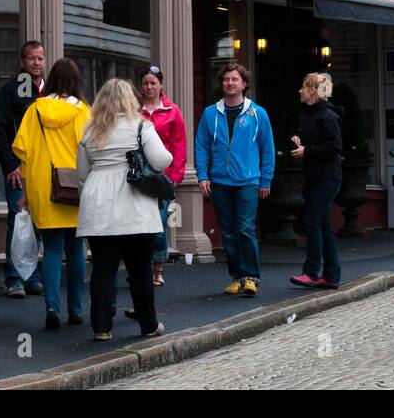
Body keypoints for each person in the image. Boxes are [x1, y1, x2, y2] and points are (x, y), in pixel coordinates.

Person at [77, 79, 172, 341]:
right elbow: (163, 160)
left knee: (103, 269)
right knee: (140, 270)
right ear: (130, 99)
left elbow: (83, 175)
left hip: (98, 206)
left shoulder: (90, 132)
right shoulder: (141, 126)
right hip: (135, 208)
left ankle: (101, 328)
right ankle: (148, 325)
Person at [11, 58, 90, 330]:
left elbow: (22, 150)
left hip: (45, 187)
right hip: (77, 186)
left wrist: (24, 193)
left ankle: (52, 306)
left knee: (53, 249)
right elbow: (92, 150)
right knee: (76, 249)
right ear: (76, 82)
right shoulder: (84, 112)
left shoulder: (36, 110)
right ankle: (77, 309)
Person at [195, 63, 275, 297]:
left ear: (244, 84)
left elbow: (267, 147)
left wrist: (266, 179)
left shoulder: (257, 113)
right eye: (226, 79)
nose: (230, 83)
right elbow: (201, 146)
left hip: (248, 180)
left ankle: (251, 277)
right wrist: (202, 175)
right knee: (228, 232)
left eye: (235, 79)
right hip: (220, 180)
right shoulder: (211, 113)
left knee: (245, 229)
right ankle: (237, 276)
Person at [0, 41, 47, 298]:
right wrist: (10, 164)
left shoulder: (51, 92)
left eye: (41, 58)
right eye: (32, 58)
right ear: (23, 62)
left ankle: (32, 275)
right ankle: (14, 278)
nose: (37, 63)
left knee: (39, 222)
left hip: (46, 169)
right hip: (19, 169)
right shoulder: (11, 91)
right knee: (18, 220)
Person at [289, 73, 343, 290]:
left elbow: (335, 147)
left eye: (303, 87)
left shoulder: (327, 116)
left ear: (312, 91)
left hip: (327, 177)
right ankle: (331, 275)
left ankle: (311, 272)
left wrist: (307, 150)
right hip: (317, 176)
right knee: (323, 226)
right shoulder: (311, 115)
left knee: (311, 221)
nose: (300, 90)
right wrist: (301, 143)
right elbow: (321, 143)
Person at [138, 65, 187, 286]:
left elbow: (179, 145)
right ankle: (141, 270)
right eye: (145, 83)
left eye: (153, 83)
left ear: (160, 85)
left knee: (157, 225)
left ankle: (157, 267)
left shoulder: (172, 111)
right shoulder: (135, 110)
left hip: (162, 177)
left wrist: (176, 176)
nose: (149, 87)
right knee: (139, 226)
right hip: (138, 176)